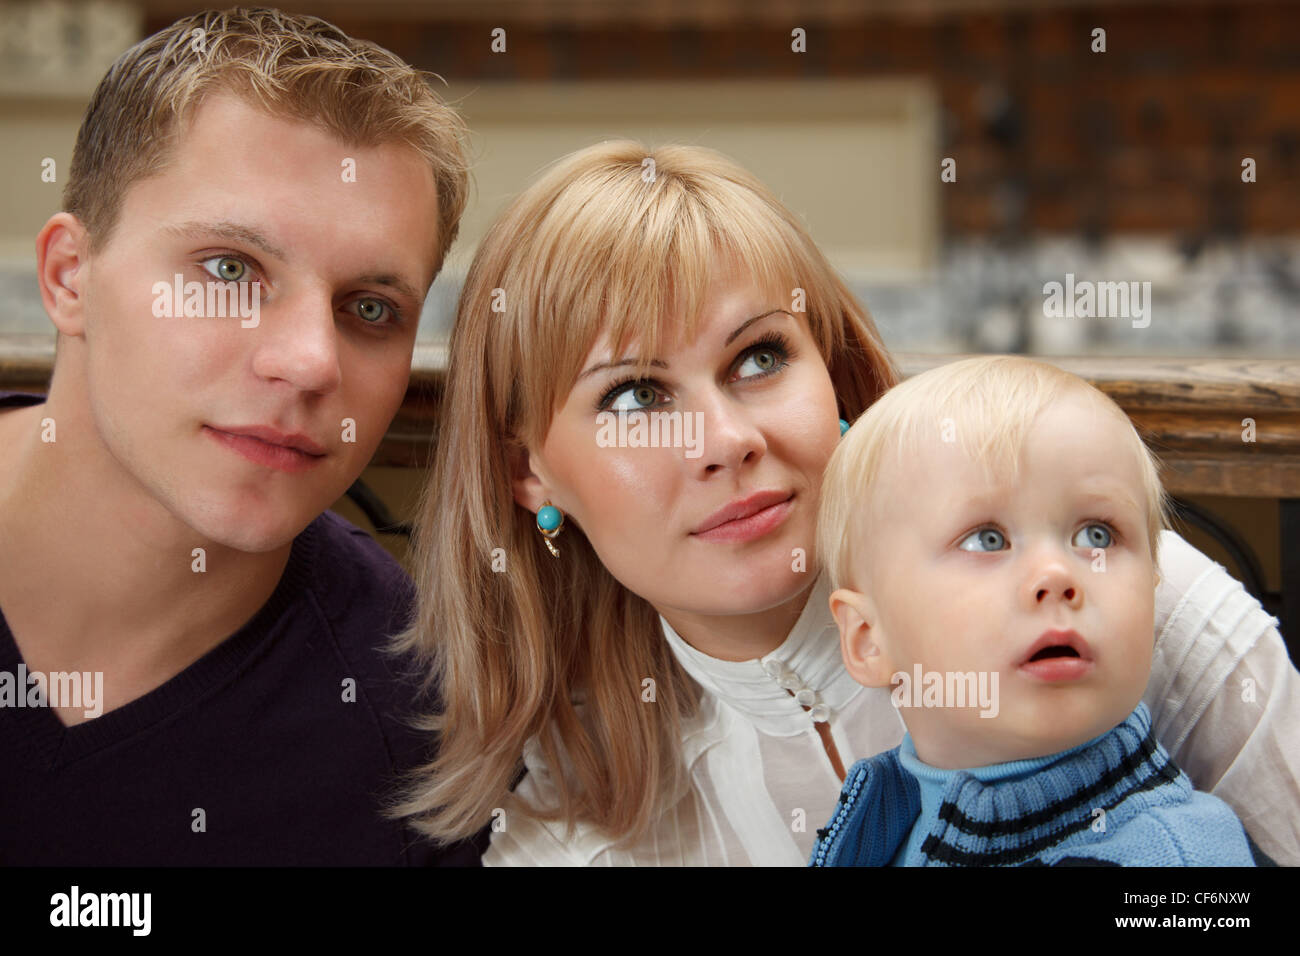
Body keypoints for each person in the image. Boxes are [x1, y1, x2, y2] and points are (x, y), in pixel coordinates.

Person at [395, 139, 1300, 866]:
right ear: (531, 475)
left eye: (759, 357)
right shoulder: (576, 805)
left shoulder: (1099, 591)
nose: (727, 440)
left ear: (835, 376)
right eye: (636, 396)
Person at [0, 8, 484, 865]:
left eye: (370, 309)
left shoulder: (421, 747)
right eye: (229, 270)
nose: (309, 363)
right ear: (70, 277)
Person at [809, 355, 1256, 866]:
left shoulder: (1176, 861)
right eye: (988, 539)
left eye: (1097, 535)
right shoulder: (882, 817)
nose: (1056, 576)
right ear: (868, 638)